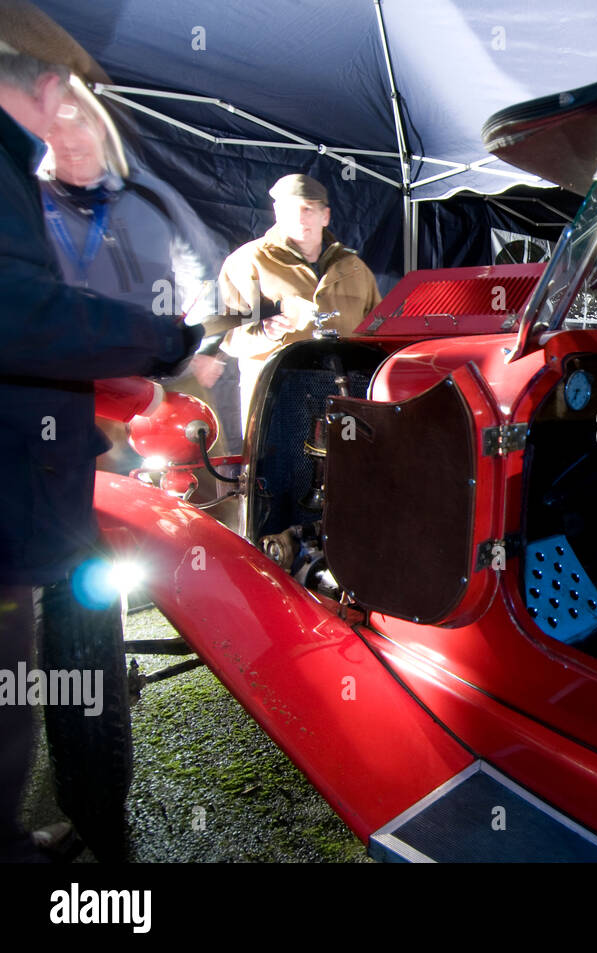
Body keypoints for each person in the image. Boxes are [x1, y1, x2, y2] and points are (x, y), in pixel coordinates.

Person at [0, 2, 200, 862]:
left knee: (76, 617)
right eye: (66, 113)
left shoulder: (140, 213)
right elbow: (27, 315)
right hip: (41, 457)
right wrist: (165, 345)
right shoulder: (21, 190)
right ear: (47, 89)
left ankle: (85, 800)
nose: (69, 137)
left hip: (76, 448)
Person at [37, 79, 238, 461]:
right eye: (54, 128)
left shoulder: (149, 197)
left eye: (78, 123)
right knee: (97, 498)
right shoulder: (26, 202)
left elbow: (204, 270)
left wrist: (201, 345)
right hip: (78, 388)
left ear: (99, 127)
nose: (69, 139)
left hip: (166, 379)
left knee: (190, 485)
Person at [218, 174, 381, 426]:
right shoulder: (248, 262)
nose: (299, 218)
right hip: (278, 399)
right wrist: (266, 332)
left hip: (346, 397)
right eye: (290, 209)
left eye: (308, 209)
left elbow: (378, 333)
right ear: (276, 212)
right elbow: (228, 338)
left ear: (325, 216)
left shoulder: (356, 269)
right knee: (280, 465)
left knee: (348, 464)